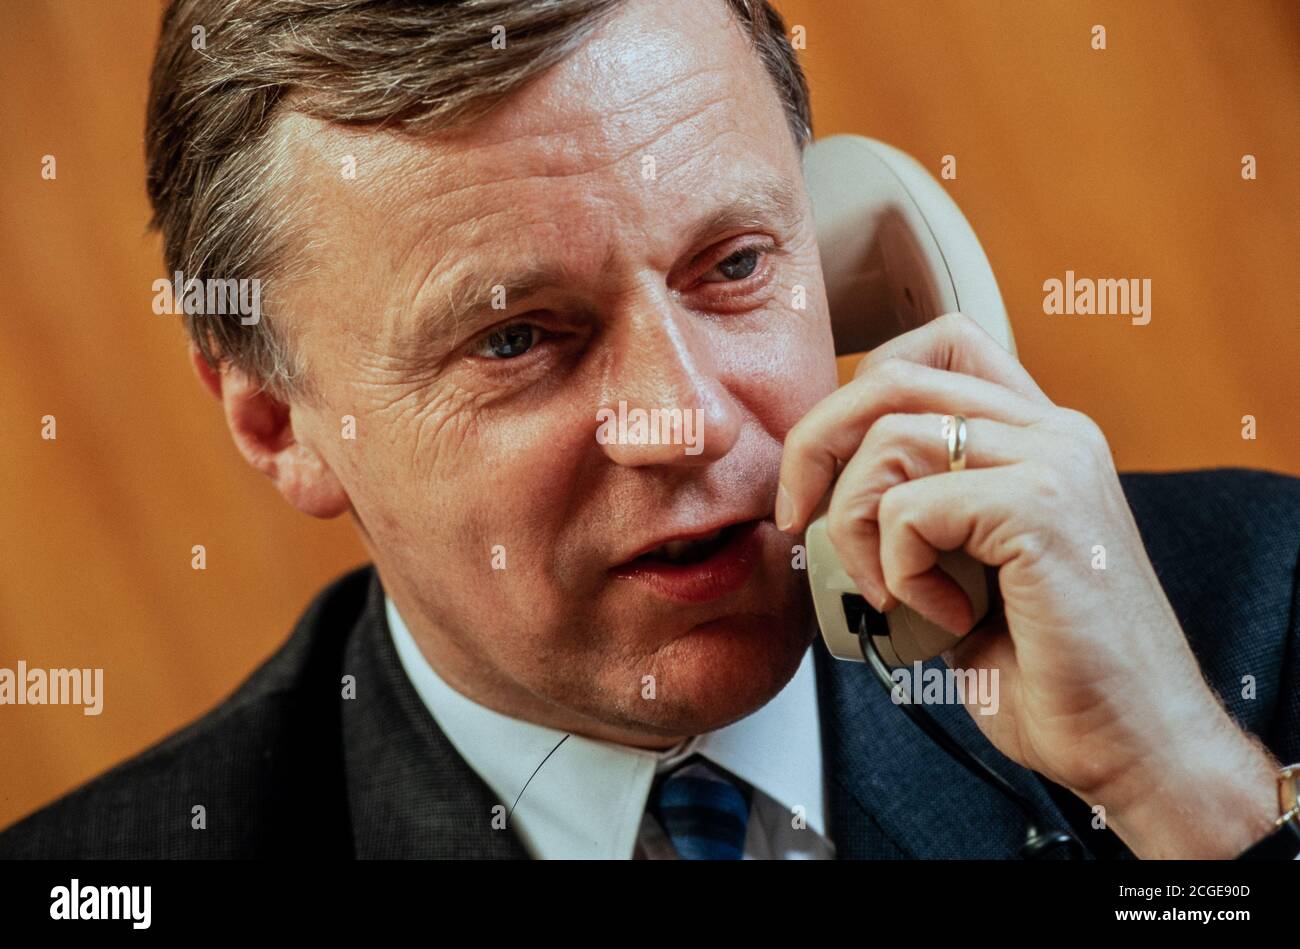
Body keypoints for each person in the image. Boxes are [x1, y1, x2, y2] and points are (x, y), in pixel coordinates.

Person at [3, 0, 1298, 860]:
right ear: (277, 418)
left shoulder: (1252, 621)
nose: (682, 419)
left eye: (734, 265)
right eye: (516, 338)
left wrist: (1192, 802)